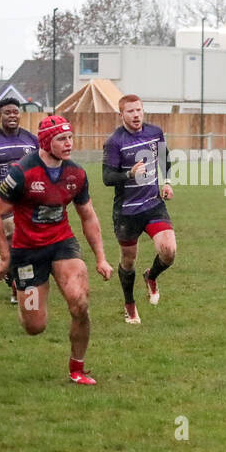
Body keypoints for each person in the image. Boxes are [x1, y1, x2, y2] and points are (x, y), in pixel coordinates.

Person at [0, 116, 113, 384]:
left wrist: (101, 258)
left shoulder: (76, 173)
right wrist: (5, 257)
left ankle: (77, 368)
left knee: (79, 301)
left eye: (70, 138)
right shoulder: (22, 172)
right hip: (28, 252)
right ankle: (26, 291)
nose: (69, 144)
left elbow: (88, 216)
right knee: (35, 326)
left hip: (62, 245)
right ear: (45, 142)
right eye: (61, 139)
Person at [102, 94, 175, 324]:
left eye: (139, 110)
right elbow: (106, 177)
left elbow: (165, 158)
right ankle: (129, 305)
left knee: (169, 251)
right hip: (127, 211)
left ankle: (151, 276)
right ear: (121, 114)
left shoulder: (155, 132)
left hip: (153, 204)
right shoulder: (114, 141)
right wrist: (130, 174)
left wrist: (167, 182)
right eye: (131, 111)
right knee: (128, 261)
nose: (136, 115)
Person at [0, 97, 37, 304]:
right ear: (0, 116)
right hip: (1, 200)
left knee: (25, 243)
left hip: (28, 199)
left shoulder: (32, 141)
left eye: (15, 111)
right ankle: (18, 284)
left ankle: (14, 281)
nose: (12, 115)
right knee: (15, 238)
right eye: (8, 112)